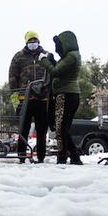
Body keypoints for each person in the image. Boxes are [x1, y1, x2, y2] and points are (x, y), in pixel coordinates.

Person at [39, 30, 82, 165]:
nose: (57, 49)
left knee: (60, 129)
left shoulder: (71, 56)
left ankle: (62, 157)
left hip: (66, 95)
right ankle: (74, 157)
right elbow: (60, 68)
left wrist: (44, 61)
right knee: (64, 129)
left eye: (59, 45)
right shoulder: (70, 56)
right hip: (70, 95)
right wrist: (53, 61)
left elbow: (56, 71)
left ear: (66, 43)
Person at [7, 31, 50, 163]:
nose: (33, 43)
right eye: (30, 41)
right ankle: (21, 156)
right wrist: (15, 100)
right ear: (26, 42)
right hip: (24, 100)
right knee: (23, 130)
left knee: (42, 131)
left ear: (39, 41)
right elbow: (12, 78)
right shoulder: (18, 57)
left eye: (35, 40)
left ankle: (41, 157)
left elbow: (51, 74)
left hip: (42, 99)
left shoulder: (46, 56)